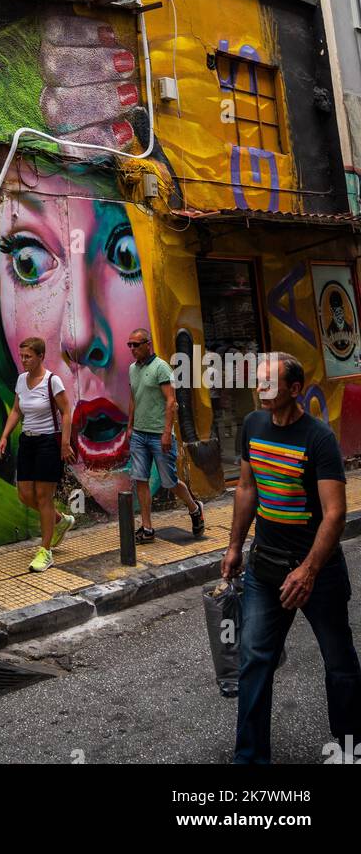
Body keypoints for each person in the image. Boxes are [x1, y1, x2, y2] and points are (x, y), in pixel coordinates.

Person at [222, 351, 361, 766]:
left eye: (271, 383)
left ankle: (351, 748)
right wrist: (233, 547)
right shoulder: (252, 424)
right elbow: (247, 489)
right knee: (254, 661)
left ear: (295, 389)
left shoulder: (318, 438)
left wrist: (309, 569)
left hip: (317, 571)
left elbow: (335, 513)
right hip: (266, 567)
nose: (261, 391)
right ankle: (249, 759)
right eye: (258, 382)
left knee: (339, 663)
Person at [0, 337, 75, 572]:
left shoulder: (52, 381)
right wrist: (4, 436)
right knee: (24, 495)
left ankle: (45, 551)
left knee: (43, 497)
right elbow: (16, 409)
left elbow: (67, 412)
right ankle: (61, 520)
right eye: (21, 356)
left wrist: (64, 443)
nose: (23, 361)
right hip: (27, 442)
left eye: (28, 356)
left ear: (41, 356)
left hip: (48, 442)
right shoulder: (21, 380)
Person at [127, 327, 205, 542]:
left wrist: (165, 432)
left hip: (158, 434)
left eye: (136, 344)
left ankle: (194, 507)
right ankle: (147, 527)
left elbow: (171, 401)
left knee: (169, 481)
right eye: (129, 345)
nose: (132, 349)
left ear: (147, 344)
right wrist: (130, 425)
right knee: (140, 479)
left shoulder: (161, 368)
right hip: (139, 435)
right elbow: (133, 398)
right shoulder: (132, 369)